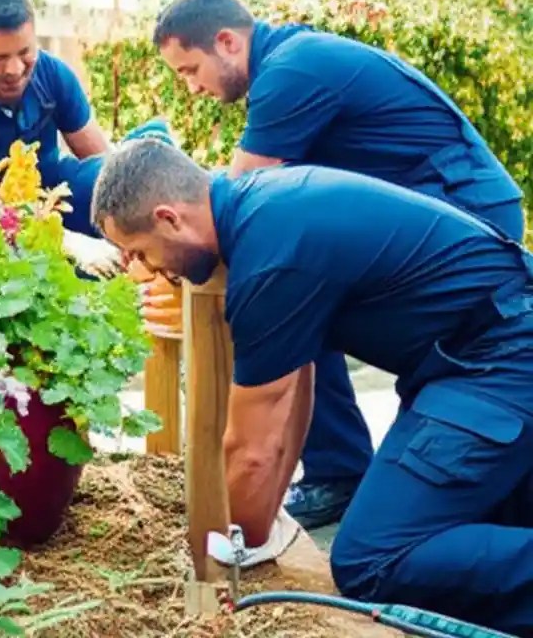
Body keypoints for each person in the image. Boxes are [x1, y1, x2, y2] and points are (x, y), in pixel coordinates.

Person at [90, 138, 533, 635]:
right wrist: (253, 532)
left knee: (374, 558)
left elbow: (251, 450)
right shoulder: (264, 211)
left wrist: (224, 554)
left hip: (500, 361)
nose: (151, 272)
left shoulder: (271, 259)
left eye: (142, 253)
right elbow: (293, 398)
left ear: (170, 218)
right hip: (482, 355)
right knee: (486, 531)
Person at [151, 0, 526, 530]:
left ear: (227, 42)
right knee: (297, 305)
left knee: (438, 367)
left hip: (468, 205)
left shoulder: (290, 73)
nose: (191, 86)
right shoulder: (292, 62)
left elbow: (234, 200)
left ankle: (402, 494)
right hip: (449, 200)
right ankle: (344, 472)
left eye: (190, 68)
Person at [0, 0, 178, 278]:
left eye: (24, 52)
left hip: (54, 193)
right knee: (72, 272)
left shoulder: (53, 75)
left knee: (143, 164)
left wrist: (127, 225)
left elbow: (108, 171)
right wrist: (69, 242)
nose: (14, 69)